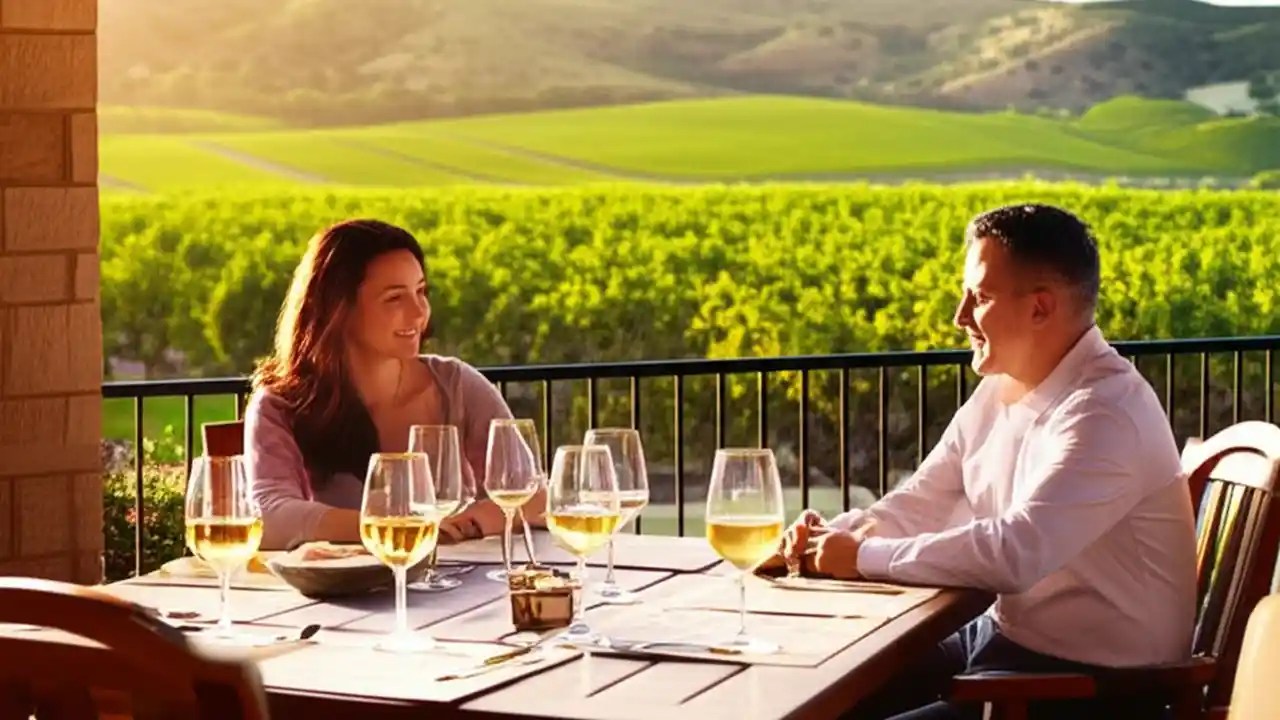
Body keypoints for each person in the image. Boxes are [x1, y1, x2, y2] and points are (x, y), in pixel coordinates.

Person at [766, 204, 1198, 719]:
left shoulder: (1105, 411)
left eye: (981, 297)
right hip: (1006, 649)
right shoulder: (1004, 387)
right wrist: (825, 541)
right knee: (809, 687)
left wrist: (857, 558)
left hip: (1085, 693)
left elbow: (1016, 552)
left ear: (1040, 308)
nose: (960, 315)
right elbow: (926, 497)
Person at [244, 218, 545, 551]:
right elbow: (268, 517)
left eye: (421, 292)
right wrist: (398, 526)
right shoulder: (281, 404)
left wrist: (469, 524)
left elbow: (534, 495)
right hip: (342, 596)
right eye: (394, 298)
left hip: (452, 590)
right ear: (338, 309)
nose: (419, 312)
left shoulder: (456, 386)